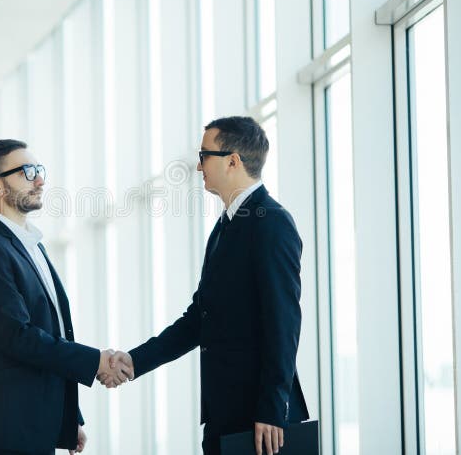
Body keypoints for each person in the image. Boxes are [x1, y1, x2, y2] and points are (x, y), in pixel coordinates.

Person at [100, 116, 309, 455]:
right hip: (225, 415)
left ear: (232, 161)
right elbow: (200, 318)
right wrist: (133, 361)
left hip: (261, 422)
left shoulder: (272, 223)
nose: (198, 167)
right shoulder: (223, 228)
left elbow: (284, 323)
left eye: (204, 155)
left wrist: (272, 407)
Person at [0, 139, 132, 455]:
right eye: (27, 171)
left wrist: (70, 417)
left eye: (39, 170)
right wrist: (96, 361)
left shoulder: (32, 246)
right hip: (8, 426)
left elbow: (53, 335)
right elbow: (17, 337)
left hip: (36, 420)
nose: (40, 180)